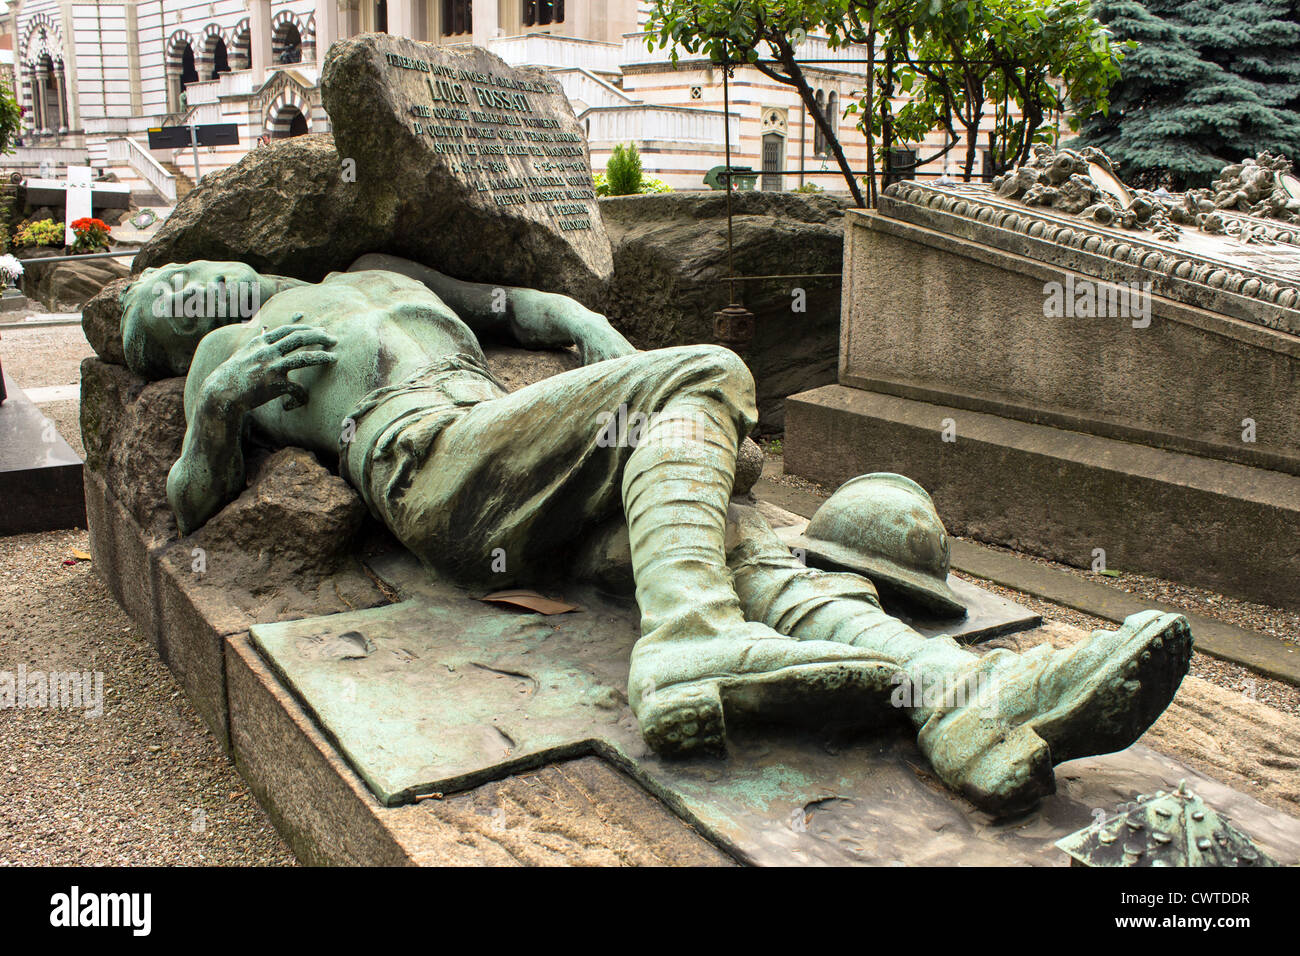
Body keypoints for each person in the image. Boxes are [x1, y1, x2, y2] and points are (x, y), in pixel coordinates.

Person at [118, 256, 1193, 815]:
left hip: (523, 473)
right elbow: (190, 497)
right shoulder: (231, 350)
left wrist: (588, 332)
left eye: (180, 275)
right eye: (163, 302)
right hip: (434, 466)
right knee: (709, 372)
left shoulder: (373, 271)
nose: (181, 294)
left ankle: (964, 705)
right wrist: (217, 411)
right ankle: (686, 638)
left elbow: (522, 304)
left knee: (737, 538)